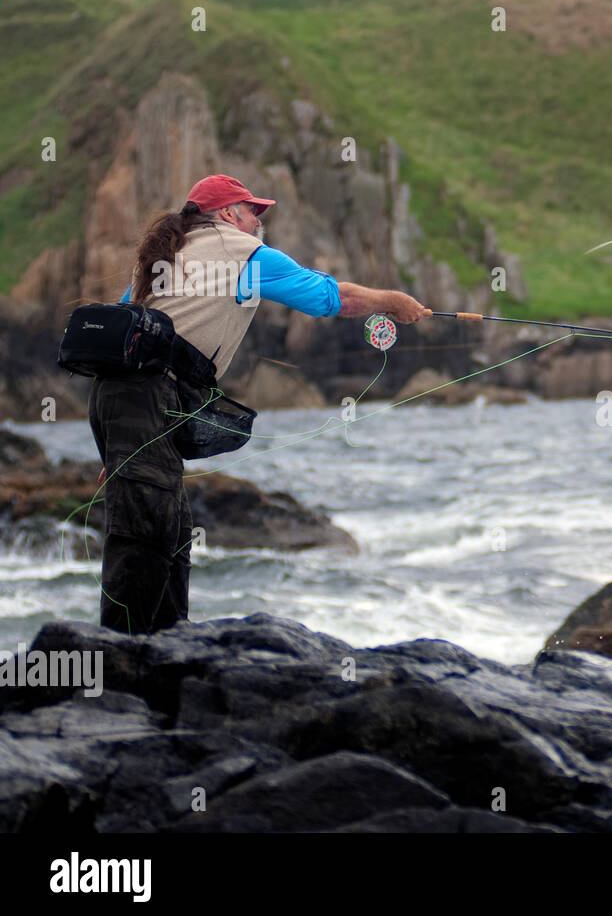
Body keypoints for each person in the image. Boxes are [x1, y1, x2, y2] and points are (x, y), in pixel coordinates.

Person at [89, 173, 431, 635]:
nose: (259, 220)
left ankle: (166, 644)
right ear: (228, 214)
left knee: (170, 530)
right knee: (146, 533)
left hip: (119, 400)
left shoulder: (163, 255)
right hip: (147, 398)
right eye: (253, 211)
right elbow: (328, 297)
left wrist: (114, 444)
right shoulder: (240, 251)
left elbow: (122, 331)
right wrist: (391, 301)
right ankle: (121, 654)